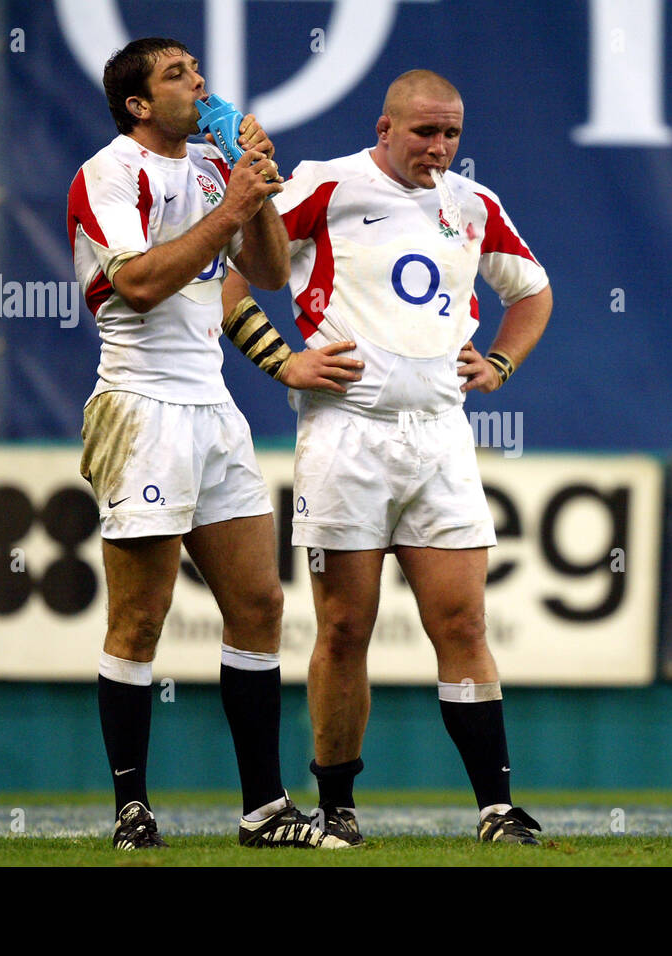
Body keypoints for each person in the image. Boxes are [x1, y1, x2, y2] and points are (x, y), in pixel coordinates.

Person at [223, 69, 552, 845]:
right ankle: (337, 809)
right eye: (423, 133)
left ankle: (496, 811)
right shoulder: (325, 186)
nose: (438, 149)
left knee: (464, 623)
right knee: (343, 628)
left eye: (451, 135)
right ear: (385, 127)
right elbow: (234, 285)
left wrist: (499, 364)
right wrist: (283, 363)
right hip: (348, 437)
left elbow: (533, 294)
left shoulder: (472, 206)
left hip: (439, 437)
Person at [68, 37, 361, 850]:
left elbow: (265, 273)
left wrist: (255, 187)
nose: (198, 84)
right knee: (141, 616)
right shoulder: (110, 172)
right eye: (176, 75)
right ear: (137, 103)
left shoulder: (208, 167)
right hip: (140, 406)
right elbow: (138, 282)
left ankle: (264, 809)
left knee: (260, 605)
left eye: (197, 71)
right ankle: (132, 806)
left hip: (212, 407)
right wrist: (232, 205)